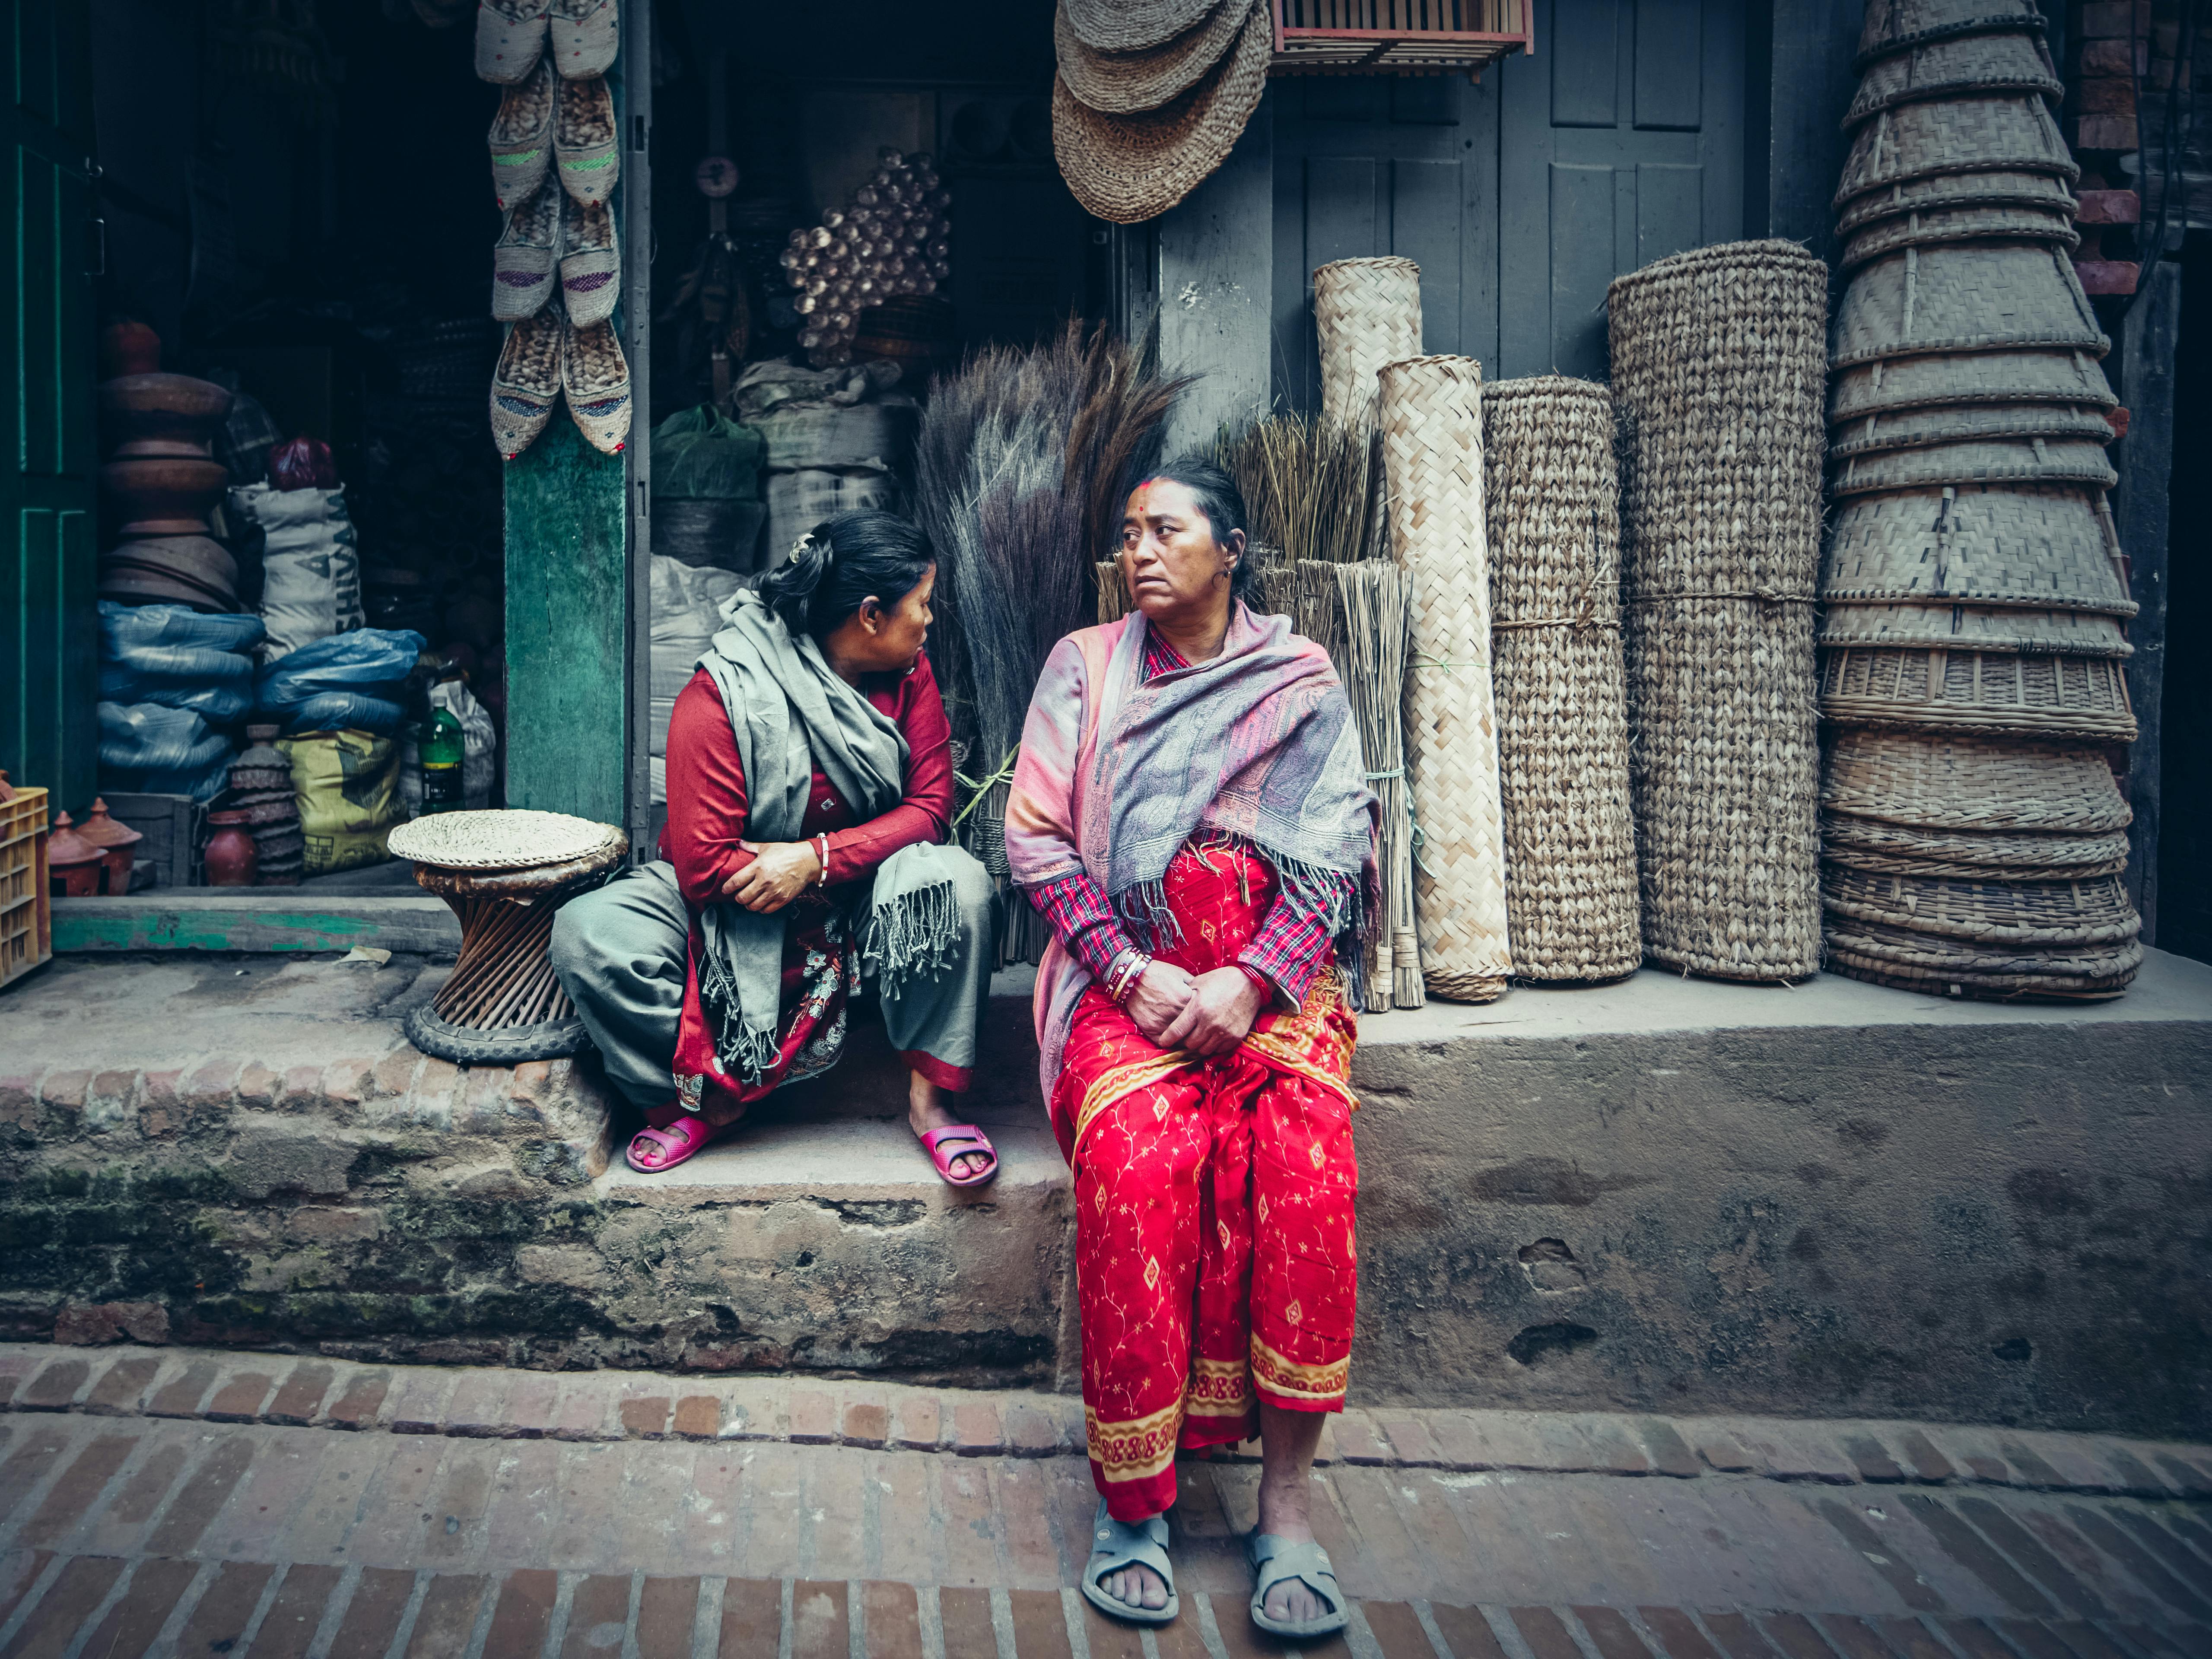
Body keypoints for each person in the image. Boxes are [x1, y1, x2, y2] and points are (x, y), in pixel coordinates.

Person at [1005, 461, 1376, 1639]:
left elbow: (1336, 855)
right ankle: (1135, 1508)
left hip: (1269, 987)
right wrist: (1133, 971)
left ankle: (1287, 1510)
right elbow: (1035, 840)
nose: (1141, 552)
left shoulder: (1299, 677)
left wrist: (1254, 980)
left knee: (1308, 1176)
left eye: (1167, 531)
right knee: (1136, 1162)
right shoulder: (1087, 668)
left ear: (1233, 547)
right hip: (1133, 979)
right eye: (1128, 535)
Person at [550, 510, 1000, 1185]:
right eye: (923, 606)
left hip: (857, 895)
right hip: (733, 907)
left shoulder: (909, 678)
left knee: (955, 883)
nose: (930, 622)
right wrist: (784, 871)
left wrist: (815, 858)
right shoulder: (720, 695)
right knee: (590, 931)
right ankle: (697, 1099)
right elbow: (703, 870)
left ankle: (931, 1099)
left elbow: (931, 811)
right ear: (871, 615)